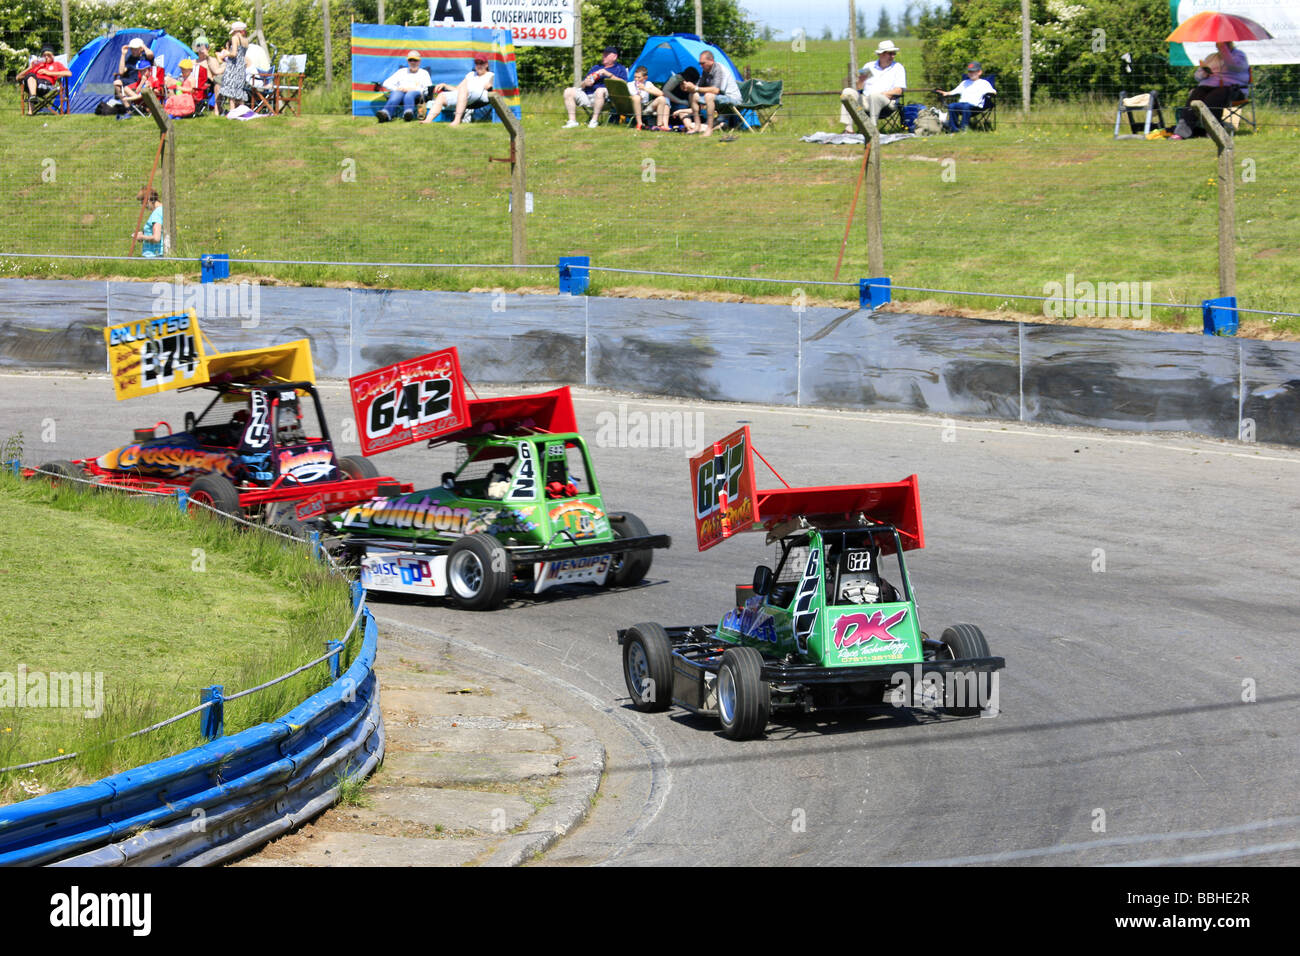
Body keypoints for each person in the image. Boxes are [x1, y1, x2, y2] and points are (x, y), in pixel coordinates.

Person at [1170, 41, 1250, 140]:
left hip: (1233, 89)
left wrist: (1225, 52)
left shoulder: (1239, 55)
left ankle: (1213, 131)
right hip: (1207, 87)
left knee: (1214, 97)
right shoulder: (1211, 57)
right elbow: (1197, 77)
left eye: (1223, 43)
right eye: (1219, 43)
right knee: (1194, 97)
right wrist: (1204, 73)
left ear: (1229, 43)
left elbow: (1234, 67)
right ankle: (1181, 132)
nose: (1219, 45)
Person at [840, 39, 906, 132]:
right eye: (890, 53)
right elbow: (858, 86)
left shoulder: (898, 68)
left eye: (894, 53)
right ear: (881, 54)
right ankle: (848, 129)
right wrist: (859, 81)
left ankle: (872, 129)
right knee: (847, 92)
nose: (893, 56)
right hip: (866, 100)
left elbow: (899, 90)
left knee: (875, 96)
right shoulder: (869, 66)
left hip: (888, 102)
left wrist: (882, 94)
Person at [562, 47, 627, 128]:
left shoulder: (620, 68)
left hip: (606, 98)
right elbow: (582, 84)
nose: (603, 56)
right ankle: (572, 121)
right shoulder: (596, 67)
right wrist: (585, 83)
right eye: (603, 54)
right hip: (587, 95)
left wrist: (608, 74)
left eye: (606, 54)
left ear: (614, 57)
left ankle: (594, 121)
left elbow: (624, 84)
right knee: (568, 91)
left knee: (600, 91)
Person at [423, 54, 494, 126]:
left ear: (486, 65)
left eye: (481, 63)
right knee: (441, 95)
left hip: (480, 96)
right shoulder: (471, 74)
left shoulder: (491, 75)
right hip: (465, 95)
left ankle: (457, 120)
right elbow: (457, 89)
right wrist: (445, 85)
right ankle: (428, 120)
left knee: (464, 90)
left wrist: (490, 85)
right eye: (477, 63)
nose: (479, 65)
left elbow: (494, 87)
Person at [684, 50, 741, 136]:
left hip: (733, 98)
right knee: (693, 95)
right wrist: (689, 87)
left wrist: (695, 88)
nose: (701, 66)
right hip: (720, 98)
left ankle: (709, 129)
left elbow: (716, 90)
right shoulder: (706, 70)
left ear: (711, 61)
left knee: (709, 95)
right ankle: (697, 126)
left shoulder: (719, 69)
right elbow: (698, 87)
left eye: (703, 63)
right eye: (700, 63)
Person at [936, 61, 994, 132]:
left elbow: (993, 91)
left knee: (965, 106)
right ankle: (954, 129)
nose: (971, 73)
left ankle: (963, 129)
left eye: (973, 71)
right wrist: (945, 93)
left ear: (979, 72)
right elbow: (953, 92)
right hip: (962, 104)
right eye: (969, 72)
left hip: (975, 106)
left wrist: (991, 93)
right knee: (952, 106)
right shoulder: (964, 82)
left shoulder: (984, 83)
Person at [377, 51, 433, 122]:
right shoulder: (401, 71)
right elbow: (386, 83)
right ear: (407, 61)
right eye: (410, 60)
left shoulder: (424, 73)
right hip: (400, 92)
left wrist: (412, 89)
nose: (413, 62)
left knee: (410, 94)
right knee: (396, 94)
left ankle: (408, 113)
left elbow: (428, 88)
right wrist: (397, 88)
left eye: (415, 60)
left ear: (419, 61)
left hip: (416, 93)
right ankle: (386, 114)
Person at [18, 45, 71, 113]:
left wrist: (48, 73)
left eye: (48, 55)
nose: (46, 57)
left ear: (52, 56)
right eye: (44, 55)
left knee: (31, 81)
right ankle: (33, 98)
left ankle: (32, 103)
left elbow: (69, 73)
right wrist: (30, 68)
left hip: (45, 85)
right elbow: (18, 77)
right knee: (30, 77)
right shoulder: (38, 65)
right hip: (33, 85)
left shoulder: (56, 64)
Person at [217, 21, 251, 114]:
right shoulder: (245, 40)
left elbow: (234, 53)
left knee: (231, 88)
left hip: (234, 65)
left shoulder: (235, 38)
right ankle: (243, 111)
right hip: (241, 66)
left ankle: (232, 111)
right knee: (239, 89)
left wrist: (225, 55)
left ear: (236, 31)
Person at [114, 37, 157, 108]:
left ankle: (138, 100)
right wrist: (123, 54)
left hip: (141, 81)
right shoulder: (130, 58)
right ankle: (128, 107)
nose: (133, 51)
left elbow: (150, 54)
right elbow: (121, 72)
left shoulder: (145, 57)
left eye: (135, 49)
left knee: (125, 87)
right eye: (132, 49)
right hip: (130, 81)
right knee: (116, 83)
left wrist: (144, 46)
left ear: (141, 49)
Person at [133, 188, 163, 258]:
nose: (142, 205)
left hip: (153, 255)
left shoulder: (157, 213)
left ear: (148, 200)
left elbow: (156, 238)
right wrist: (143, 233)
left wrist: (142, 237)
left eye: (142, 202)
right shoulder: (163, 209)